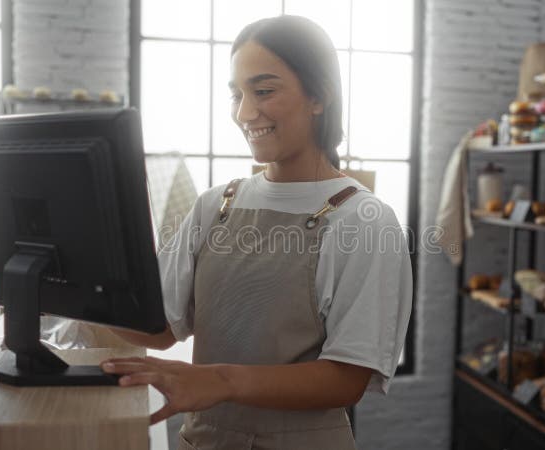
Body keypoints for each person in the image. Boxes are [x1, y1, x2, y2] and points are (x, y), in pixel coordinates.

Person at [102, 15, 412, 450]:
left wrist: (221, 380)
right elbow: (159, 328)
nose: (245, 113)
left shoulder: (363, 220)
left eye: (263, 91)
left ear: (318, 96)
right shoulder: (216, 205)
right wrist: (77, 292)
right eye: (237, 94)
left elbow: (346, 379)